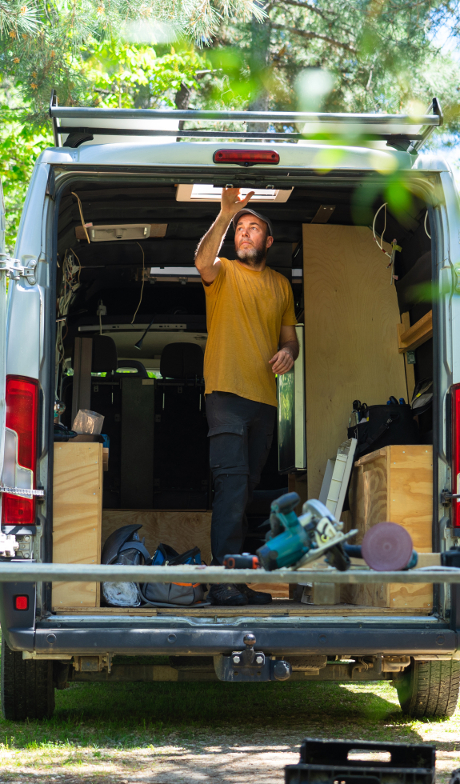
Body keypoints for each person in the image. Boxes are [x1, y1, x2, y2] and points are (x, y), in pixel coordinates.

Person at [194, 188, 299, 606]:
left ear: (268, 242)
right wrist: (225, 214)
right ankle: (223, 583)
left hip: (265, 401)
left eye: (253, 228)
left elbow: (290, 338)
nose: (245, 233)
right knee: (232, 486)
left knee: (248, 488)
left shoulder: (280, 286)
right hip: (225, 393)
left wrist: (289, 353)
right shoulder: (222, 272)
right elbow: (201, 260)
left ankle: (234, 579)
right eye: (241, 229)